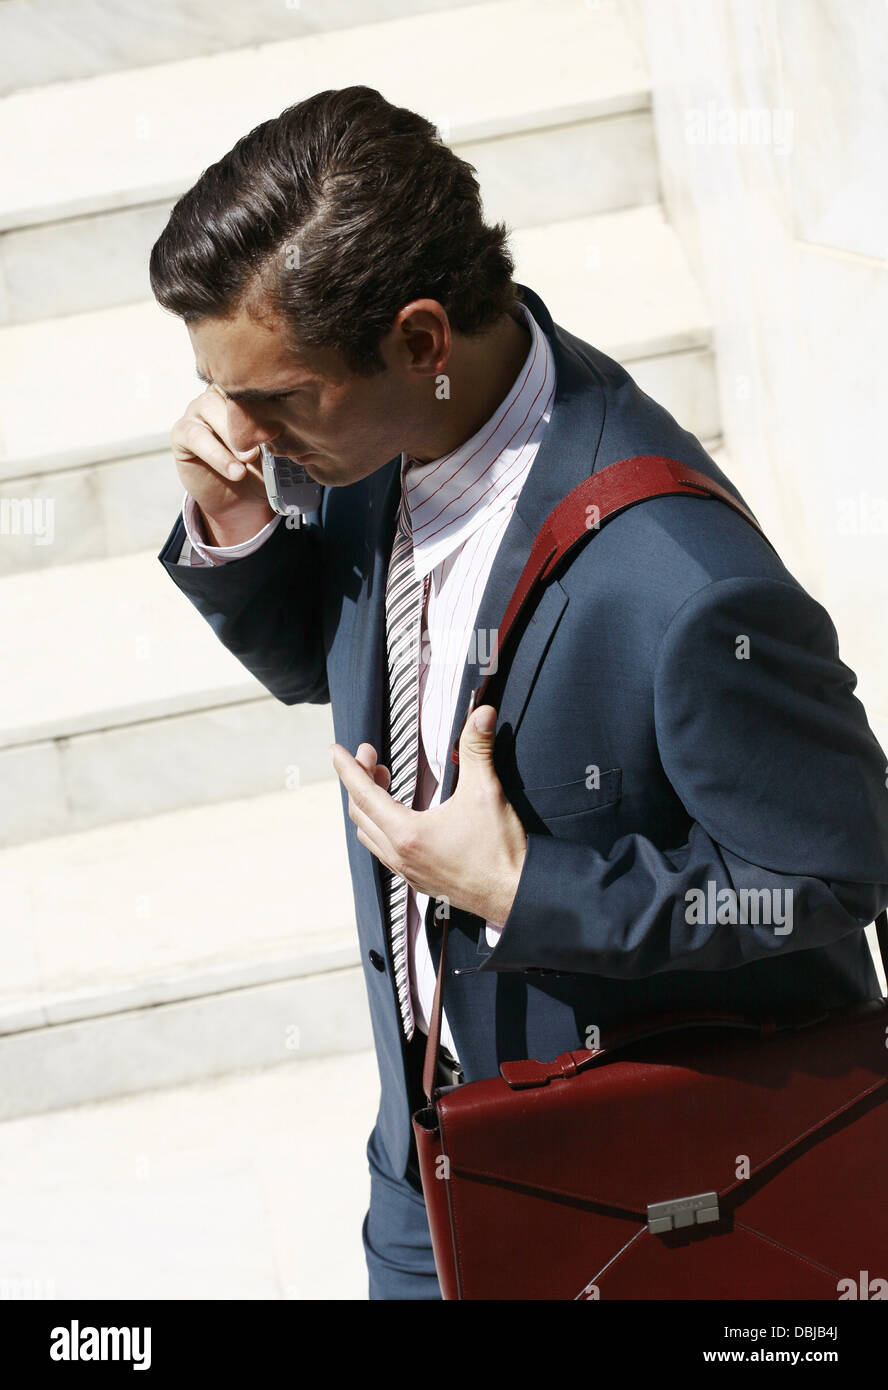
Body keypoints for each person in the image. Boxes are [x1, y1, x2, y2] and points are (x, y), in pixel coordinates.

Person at [150, 85, 888, 1300]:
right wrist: (239, 527)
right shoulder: (375, 436)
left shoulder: (685, 582)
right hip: (429, 1171)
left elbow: (830, 874)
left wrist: (522, 887)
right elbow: (337, 664)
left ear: (422, 341)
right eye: (223, 389)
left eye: (272, 397)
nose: (240, 429)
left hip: (639, 1200)